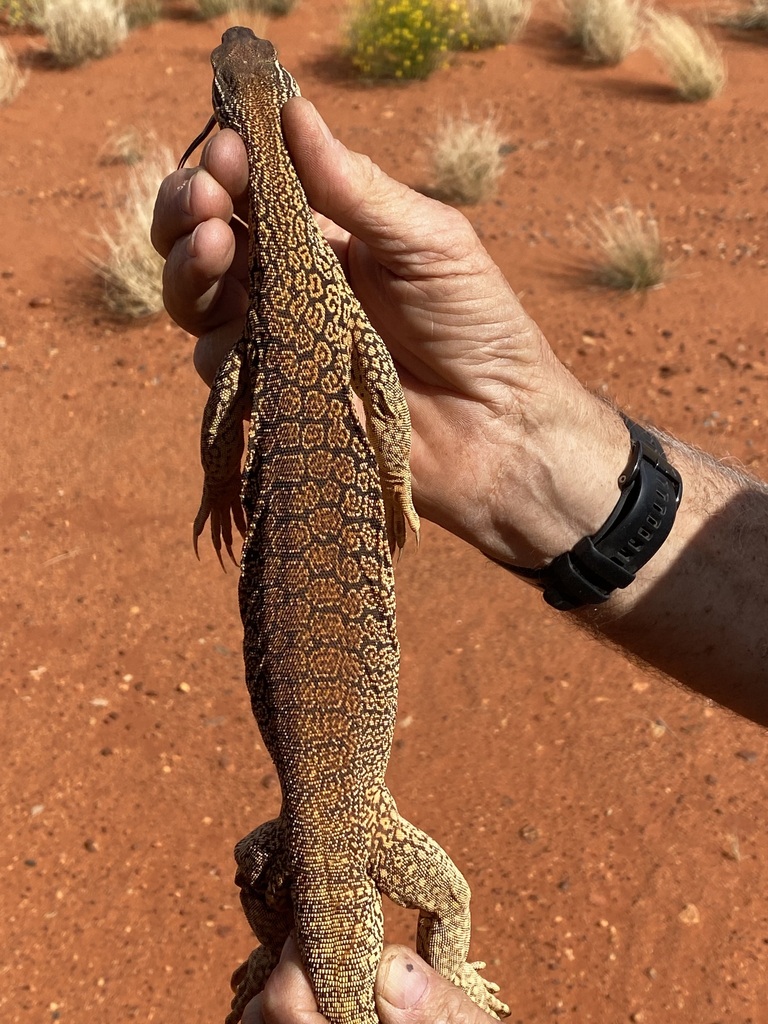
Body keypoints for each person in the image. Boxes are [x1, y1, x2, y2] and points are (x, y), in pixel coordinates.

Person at [152, 96, 768, 1024]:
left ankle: (271, 965)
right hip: (334, 809)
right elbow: (380, 400)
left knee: (266, 870)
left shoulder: (271, 334)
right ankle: (447, 973)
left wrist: (221, 479)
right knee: (435, 899)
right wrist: (398, 474)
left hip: (320, 811)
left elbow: (231, 397)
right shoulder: (329, 298)